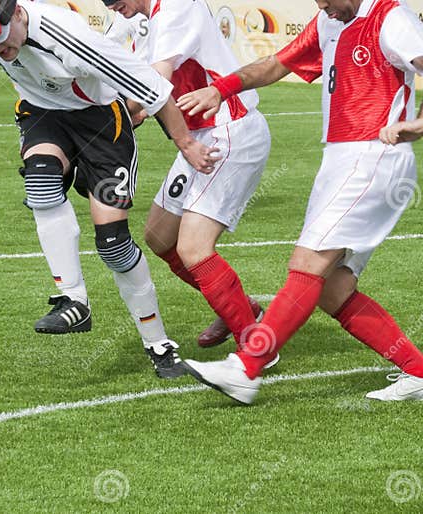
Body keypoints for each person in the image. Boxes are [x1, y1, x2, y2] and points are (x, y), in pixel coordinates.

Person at [0, 0, 220, 377]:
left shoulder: (70, 38)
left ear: (16, 15)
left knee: (113, 245)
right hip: (42, 112)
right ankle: (73, 299)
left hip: (101, 124)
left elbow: (156, 91)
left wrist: (187, 144)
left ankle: (159, 345)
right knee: (41, 182)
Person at [177, 0, 423, 404]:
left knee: (309, 263)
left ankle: (246, 367)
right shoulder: (328, 20)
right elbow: (277, 64)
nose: (323, 5)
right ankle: (417, 371)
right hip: (342, 160)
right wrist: (220, 89)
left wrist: (419, 123)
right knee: (332, 288)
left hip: (372, 158)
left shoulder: (389, 16)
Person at [103, 0, 276, 365]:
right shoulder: (141, 17)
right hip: (200, 136)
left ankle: (257, 346)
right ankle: (241, 309)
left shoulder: (176, 9)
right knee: (160, 236)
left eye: (117, 2)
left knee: (194, 248)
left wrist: (114, 115)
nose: (115, 9)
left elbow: (157, 81)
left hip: (230, 131)